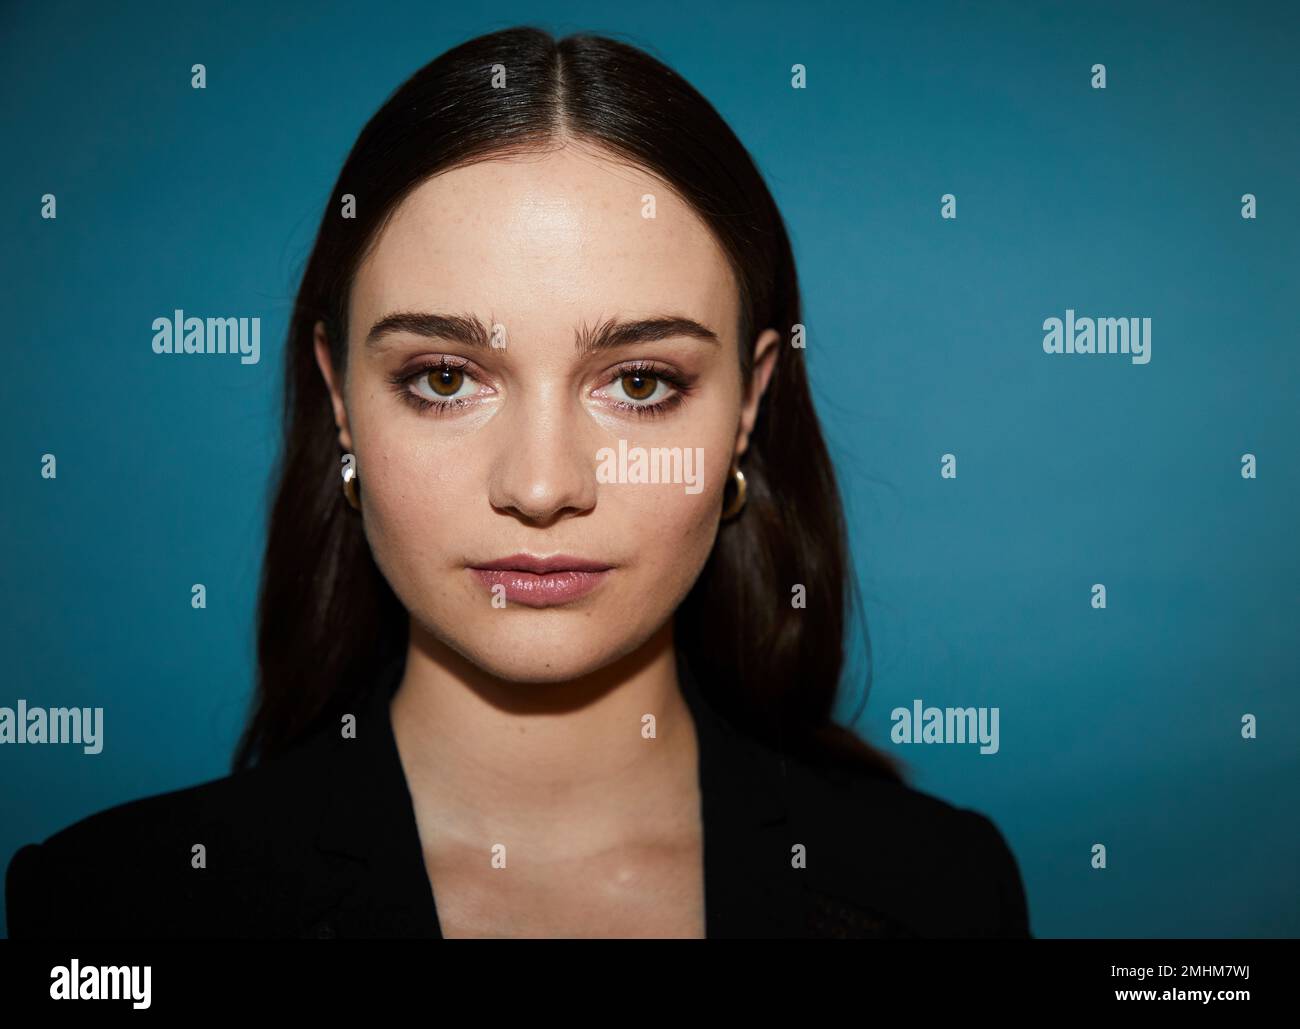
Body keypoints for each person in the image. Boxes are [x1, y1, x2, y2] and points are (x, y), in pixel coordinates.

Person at [5, 26, 1030, 939]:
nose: (541, 487)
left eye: (640, 382)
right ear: (340, 398)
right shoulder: (113, 909)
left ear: (747, 409)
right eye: (445, 378)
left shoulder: (942, 895)